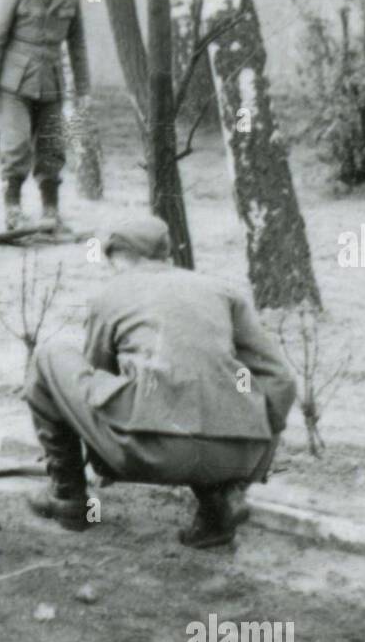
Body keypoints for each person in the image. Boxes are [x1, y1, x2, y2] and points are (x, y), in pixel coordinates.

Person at [21, 217, 297, 547]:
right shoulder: (222, 292)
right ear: (166, 255)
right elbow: (280, 380)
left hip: (145, 451)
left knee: (49, 355)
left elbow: (97, 374)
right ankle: (218, 508)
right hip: (234, 457)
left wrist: (104, 448)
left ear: (117, 256)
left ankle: (68, 498)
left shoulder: (112, 293)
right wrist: (253, 451)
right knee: (221, 394)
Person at [0, 0, 91, 230]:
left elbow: (77, 42)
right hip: (13, 83)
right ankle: (13, 210)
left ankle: (51, 211)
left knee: (52, 148)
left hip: (52, 81)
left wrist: (83, 88)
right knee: (16, 144)